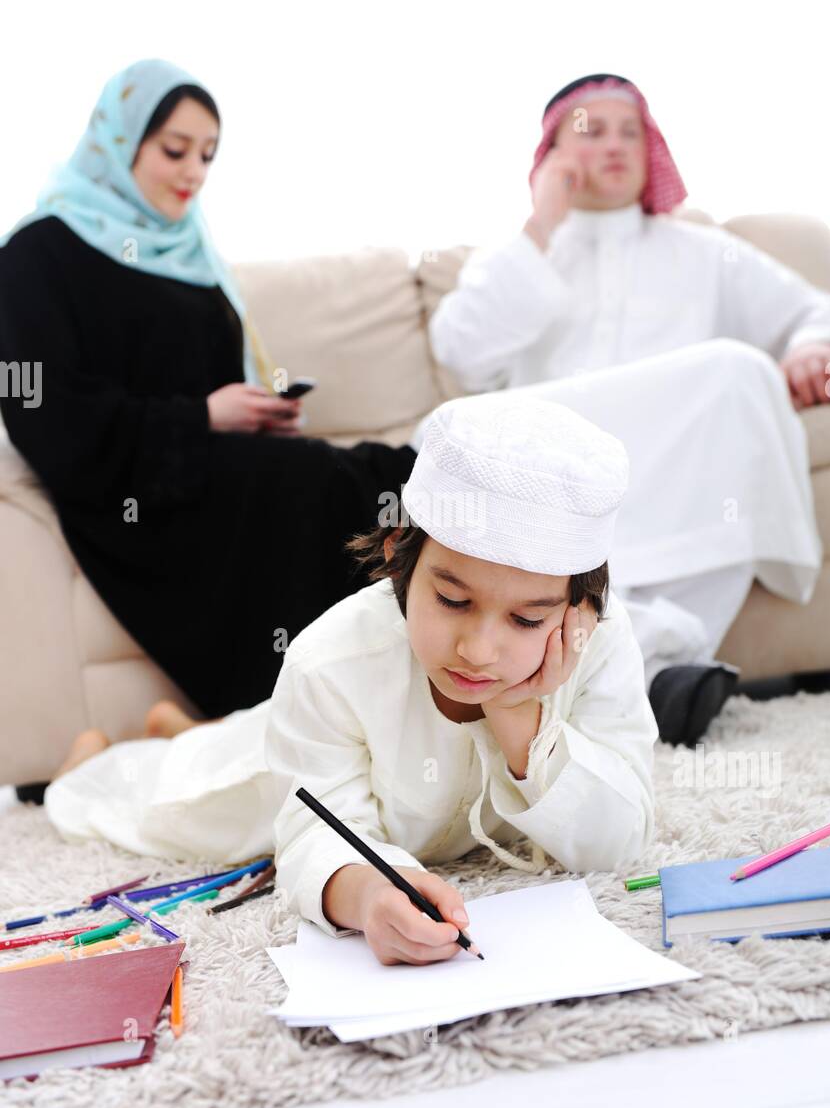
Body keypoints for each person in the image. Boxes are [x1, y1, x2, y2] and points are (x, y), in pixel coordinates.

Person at [44, 395, 657, 966]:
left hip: (300, 732)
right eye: (451, 600)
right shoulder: (330, 663)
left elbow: (620, 840)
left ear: (580, 611)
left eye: (526, 619)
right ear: (399, 558)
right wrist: (366, 897)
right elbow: (314, 829)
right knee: (173, 794)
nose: (478, 650)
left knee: (242, 734)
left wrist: (522, 715)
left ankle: (188, 728)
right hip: (267, 778)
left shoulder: (599, 641)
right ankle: (97, 762)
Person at [425, 72, 830, 744]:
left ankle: (646, 668)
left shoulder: (703, 250)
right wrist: (542, 224)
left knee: (736, 377)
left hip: (673, 450)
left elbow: (822, 309)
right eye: (590, 131)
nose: (614, 145)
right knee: (456, 430)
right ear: (552, 155)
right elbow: (461, 353)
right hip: (556, 453)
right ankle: (653, 669)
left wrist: (808, 346)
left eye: (630, 132)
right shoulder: (519, 254)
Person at [0, 59, 418, 723]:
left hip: (217, 466)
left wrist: (249, 413)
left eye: (207, 155)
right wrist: (201, 416)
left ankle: (413, 698)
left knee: (395, 472)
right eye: (174, 149)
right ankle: (290, 715)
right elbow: (42, 413)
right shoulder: (35, 255)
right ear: (118, 140)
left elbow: (209, 386)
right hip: (129, 491)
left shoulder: (189, 252)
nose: (193, 171)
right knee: (312, 481)